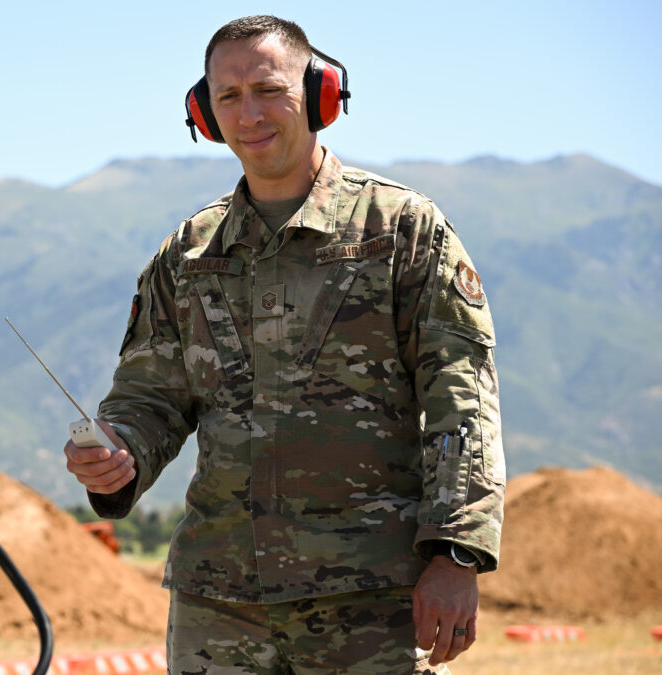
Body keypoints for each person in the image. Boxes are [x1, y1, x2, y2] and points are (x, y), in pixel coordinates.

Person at [63, 15, 504, 674]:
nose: (250, 114)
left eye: (269, 89)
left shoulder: (403, 230)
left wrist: (455, 552)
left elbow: (461, 399)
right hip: (220, 599)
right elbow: (149, 398)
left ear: (320, 93)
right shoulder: (188, 253)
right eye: (229, 97)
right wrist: (116, 449)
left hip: (370, 597)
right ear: (204, 113)